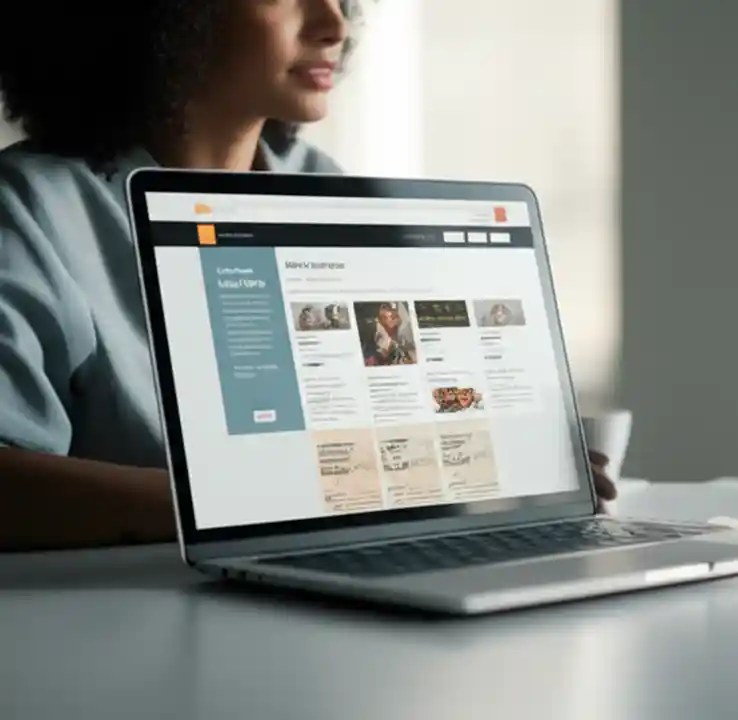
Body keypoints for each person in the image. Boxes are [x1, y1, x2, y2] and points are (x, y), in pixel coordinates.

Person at [0, 1, 616, 551]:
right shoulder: (31, 208)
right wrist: (266, 507)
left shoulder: (322, 183)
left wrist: (490, 467)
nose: (334, 25)